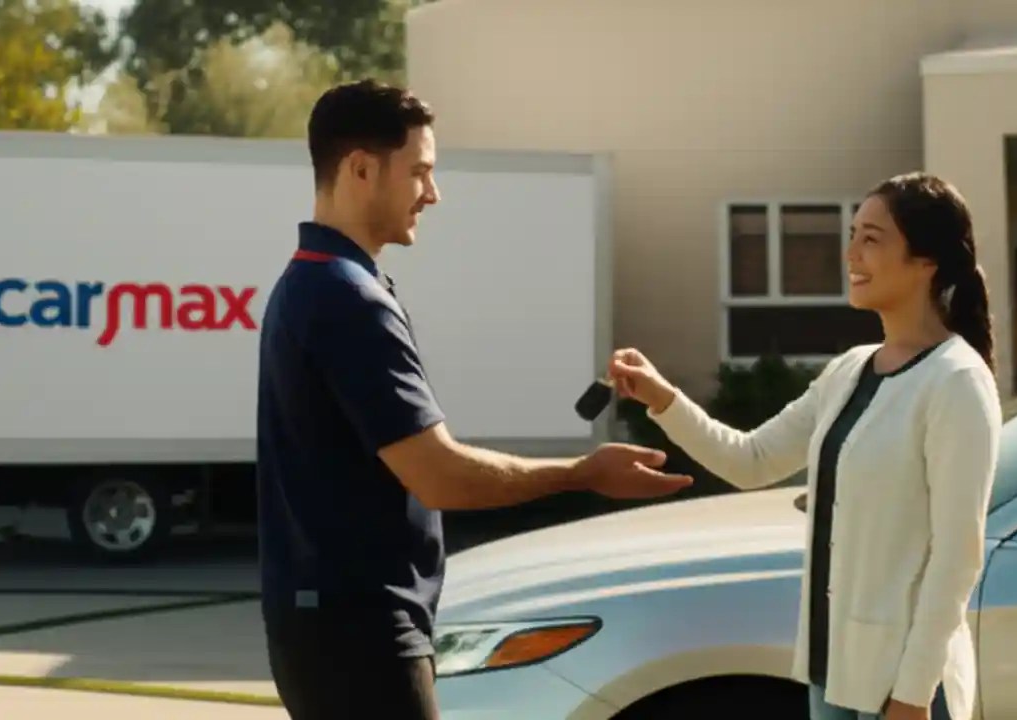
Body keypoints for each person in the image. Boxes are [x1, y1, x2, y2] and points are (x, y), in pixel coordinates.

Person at [254, 79, 692, 720]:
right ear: (360, 169)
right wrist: (583, 474)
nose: (433, 193)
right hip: (360, 635)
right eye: (421, 172)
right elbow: (441, 477)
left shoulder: (316, 279)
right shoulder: (345, 297)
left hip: (331, 630)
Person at [608, 172, 1001, 720]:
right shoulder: (848, 371)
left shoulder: (956, 380)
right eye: (852, 234)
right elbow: (752, 460)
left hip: (906, 689)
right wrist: (661, 397)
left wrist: (913, 693)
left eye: (872, 238)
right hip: (833, 673)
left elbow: (958, 556)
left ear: (926, 260)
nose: (851, 254)